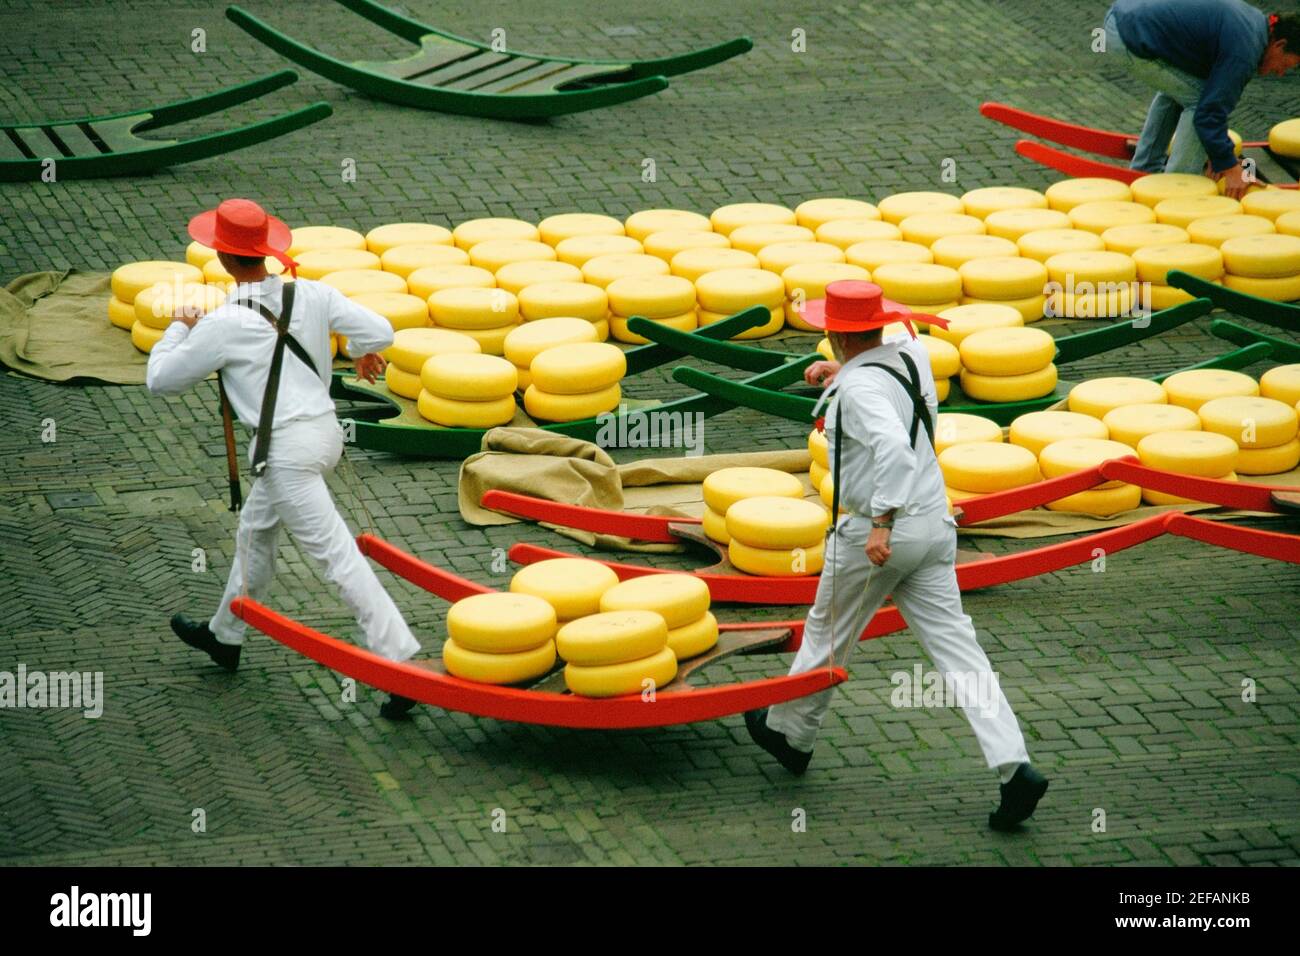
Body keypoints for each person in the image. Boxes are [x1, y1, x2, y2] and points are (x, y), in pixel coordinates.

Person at [744, 280, 1049, 832]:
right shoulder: (908, 353)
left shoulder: (861, 391)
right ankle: (1014, 766)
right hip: (935, 525)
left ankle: (790, 733)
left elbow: (891, 450)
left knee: (828, 632)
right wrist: (843, 378)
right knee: (960, 652)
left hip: (880, 533)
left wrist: (880, 523)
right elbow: (888, 394)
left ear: (834, 333)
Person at [146, 198, 423, 720]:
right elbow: (383, 331)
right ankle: (225, 635)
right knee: (255, 532)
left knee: (336, 558)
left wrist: (179, 328)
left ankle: (400, 662)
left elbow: (161, 381)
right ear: (268, 252)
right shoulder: (313, 294)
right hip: (324, 434)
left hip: (286, 452)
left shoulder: (223, 323)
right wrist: (362, 345)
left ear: (223, 258)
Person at [1103, 0, 1300, 197]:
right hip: (1130, 33)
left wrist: (1217, 155)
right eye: (1289, 65)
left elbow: (1212, 96)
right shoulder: (1244, 53)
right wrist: (1230, 167)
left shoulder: (1256, 24)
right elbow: (1209, 113)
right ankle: (1176, 190)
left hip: (1123, 17)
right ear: (1280, 45)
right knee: (1198, 101)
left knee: (1183, 88)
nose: (1282, 73)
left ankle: (1144, 169)